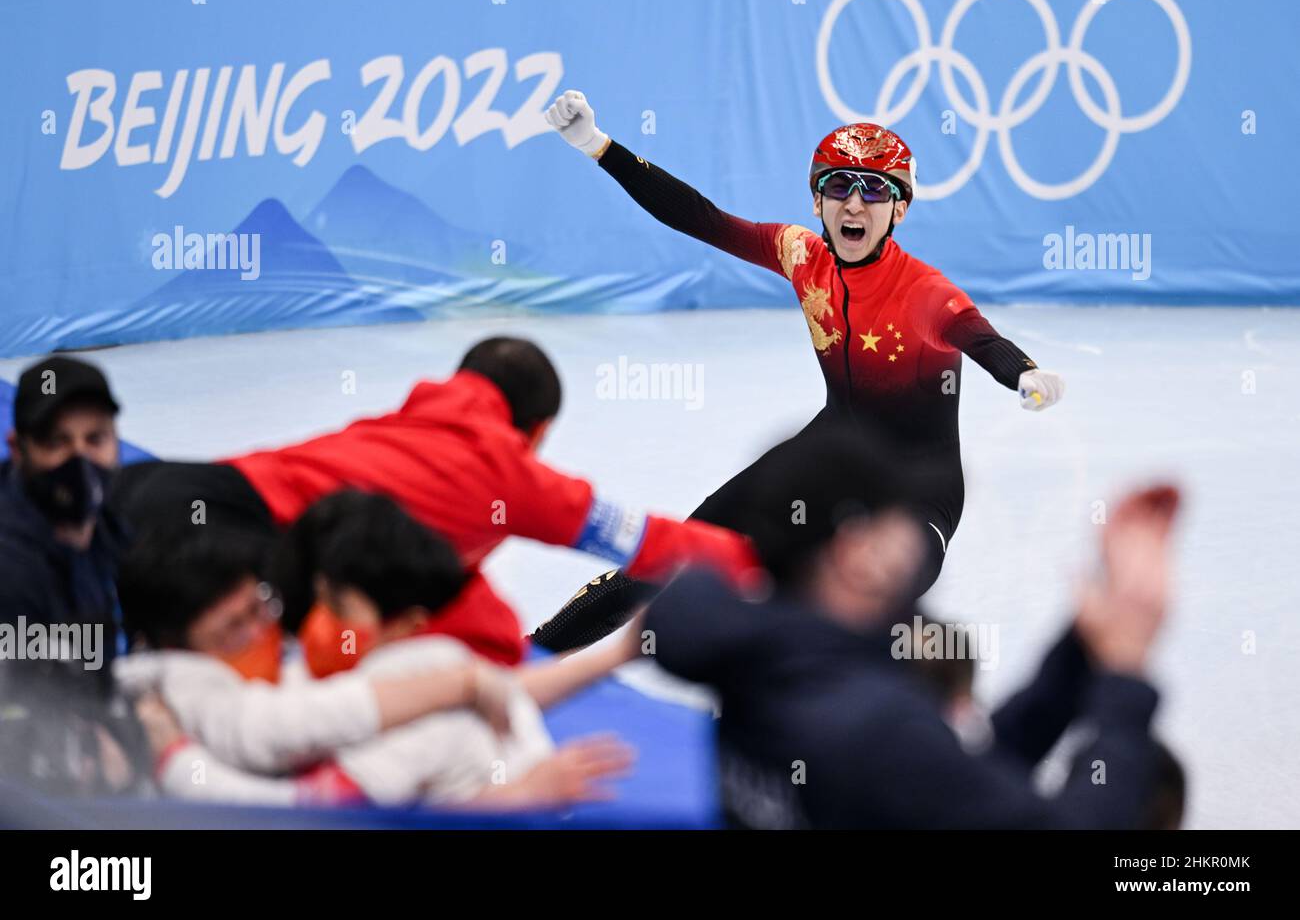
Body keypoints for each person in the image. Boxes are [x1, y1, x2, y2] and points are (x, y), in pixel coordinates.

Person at [534, 89, 1066, 650]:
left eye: (874, 192)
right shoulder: (799, 254)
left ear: (899, 210)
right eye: (838, 187)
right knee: (670, 555)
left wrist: (1023, 373)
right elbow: (701, 218)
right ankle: (529, 655)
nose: (854, 206)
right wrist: (597, 146)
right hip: (828, 457)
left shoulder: (924, 291)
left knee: (864, 614)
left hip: (918, 487)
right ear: (817, 201)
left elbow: (978, 335)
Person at [640, 422, 1178, 828]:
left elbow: (965, 776)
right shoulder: (874, 727)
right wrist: (1125, 682)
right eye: (903, 517)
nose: (917, 537)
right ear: (858, 552)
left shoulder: (764, 660)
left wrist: (1081, 646)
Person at [111, 336, 757, 665]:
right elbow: (653, 542)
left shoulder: (405, 421)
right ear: (535, 431)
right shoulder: (508, 473)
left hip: (166, 486)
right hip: (230, 538)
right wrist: (772, 559)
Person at [117, 492, 638, 809]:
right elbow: (313, 805)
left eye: (260, 609)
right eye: (237, 623)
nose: (266, 628)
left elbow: (502, 691)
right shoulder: (414, 686)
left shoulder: (412, 681)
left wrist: (614, 657)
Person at [0, 356, 131, 660]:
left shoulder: (111, 524)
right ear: (18, 448)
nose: (80, 459)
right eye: (57, 442)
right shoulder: (10, 571)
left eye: (95, 439)